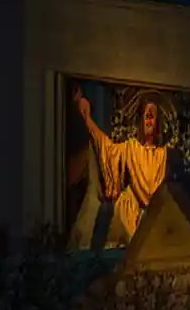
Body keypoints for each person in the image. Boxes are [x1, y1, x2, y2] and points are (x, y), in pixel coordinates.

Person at [72, 86, 169, 246]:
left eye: (153, 117)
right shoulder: (131, 147)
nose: (149, 121)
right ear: (141, 120)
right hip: (131, 215)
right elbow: (108, 150)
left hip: (157, 216)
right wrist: (87, 119)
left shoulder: (163, 153)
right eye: (147, 116)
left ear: (158, 121)